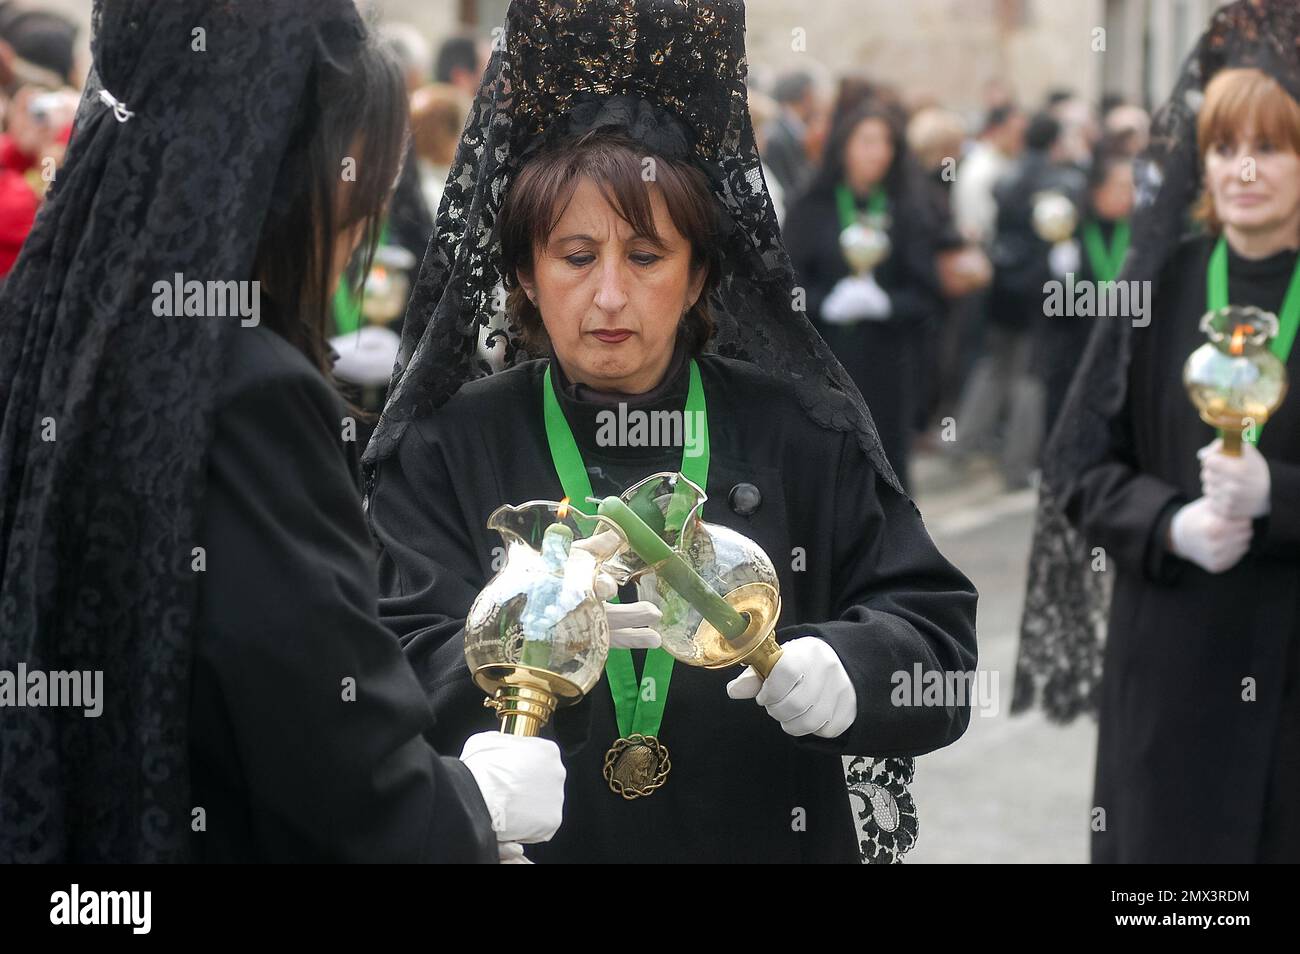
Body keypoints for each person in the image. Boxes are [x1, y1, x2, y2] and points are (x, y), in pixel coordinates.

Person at [364, 0, 978, 865]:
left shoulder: (803, 432)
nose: (609, 296)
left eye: (646, 258)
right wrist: (515, 650)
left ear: (698, 278)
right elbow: (384, 673)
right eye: (577, 258)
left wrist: (850, 668)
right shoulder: (446, 449)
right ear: (526, 277)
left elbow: (938, 642)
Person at [0, 0, 564, 864]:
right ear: (270, 190)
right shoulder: (251, 396)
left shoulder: (45, 335)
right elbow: (326, 755)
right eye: (347, 220)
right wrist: (471, 803)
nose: (347, 253)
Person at [1016, 0, 1300, 863]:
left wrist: (1279, 496)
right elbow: (1078, 464)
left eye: (1271, 147)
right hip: (1174, 659)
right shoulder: (1159, 287)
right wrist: (1168, 521)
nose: (1243, 170)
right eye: (1224, 148)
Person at [784, 100, 946, 486]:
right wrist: (826, 302)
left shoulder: (906, 209)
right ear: (844, 146)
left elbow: (927, 294)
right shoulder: (811, 207)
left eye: (886, 143)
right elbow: (786, 288)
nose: (879, 153)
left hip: (888, 364)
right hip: (825, 363)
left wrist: (887, 304)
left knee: (886, 470)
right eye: (868, 142)